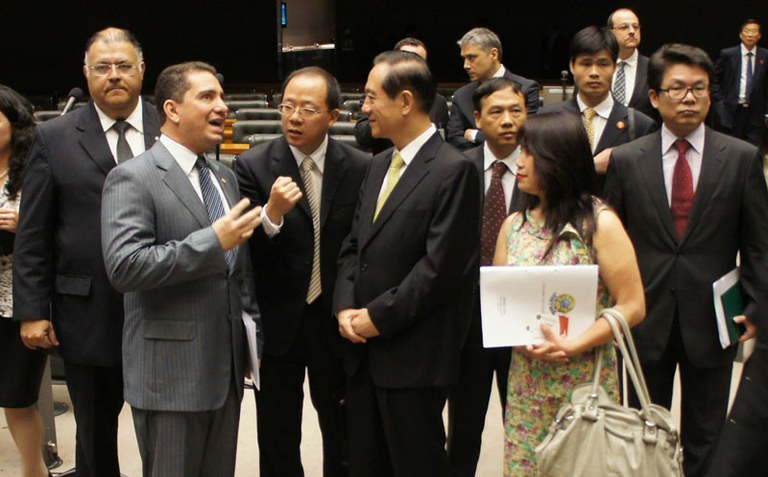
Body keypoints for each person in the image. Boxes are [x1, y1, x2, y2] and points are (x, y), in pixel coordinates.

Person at [604, 43, 768, 477]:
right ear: (654, 97)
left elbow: (758, 244)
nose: (690, 98)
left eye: (700, 88)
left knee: (709, 435)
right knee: (641, 433)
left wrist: (756, 307)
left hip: (715, 320)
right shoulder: (626, 160)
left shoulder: (741, 158)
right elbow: (609, 240)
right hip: (644, 318)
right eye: (677, 89)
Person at [101, 61, 262, 476]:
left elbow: (237, 272)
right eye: (207, 97)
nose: (222, 107)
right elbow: (125, 267)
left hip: (224, 370)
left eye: (222, 97)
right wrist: (213, 240)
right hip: (169, 377)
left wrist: (247, 339)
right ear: (172, 109)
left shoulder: (224, 177)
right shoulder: (132, 177)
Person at [13, 27, 159, 477]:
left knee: (165, 426)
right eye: (102, 67)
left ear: (141, 70)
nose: (113, 75)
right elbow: (34, 231)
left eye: (122, 66)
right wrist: (32, 310)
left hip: (163, 305)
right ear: (85, 73)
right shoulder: (53, 137)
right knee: (95, 433)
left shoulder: (170, 125)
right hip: (87, 310)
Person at [333, 50, 480, 476]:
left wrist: (376, 317)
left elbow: (441, 270)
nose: (363, 108)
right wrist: (344, 306)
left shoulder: (454, 170)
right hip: (363, 351)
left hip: (414, 354)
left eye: (371, 97)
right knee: (366, 463)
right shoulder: (378, 165)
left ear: (405, 101)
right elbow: (353, 246)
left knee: (416, 464)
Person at [494, 111, 645, 476]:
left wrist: (574, 343)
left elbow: (634, 305)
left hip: (584, 384)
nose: (521, 162)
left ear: (559, 159)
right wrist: (516, 336)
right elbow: (500, 303)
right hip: (526, 385)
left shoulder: (599, 223)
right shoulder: (514, 226)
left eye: (530, 153)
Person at [235, 66, 369, 477]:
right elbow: (242, 253)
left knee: (342, 429)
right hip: (278, 323)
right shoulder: (253, 166)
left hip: (334, 318)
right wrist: (271, 214)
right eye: (288, 106)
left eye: (307, 109)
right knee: (277, 434)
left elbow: (360, 246)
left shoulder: (361, 166)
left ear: (333, 115)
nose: (293, 117)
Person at [446, 77, 527, 477]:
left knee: (529, 425)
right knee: (463, 427)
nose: (508, 120)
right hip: (468, 318)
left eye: (516, 110)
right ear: (477, 118)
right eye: (496, 112)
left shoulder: (544, 170)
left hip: (526, 319)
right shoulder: (456, 168)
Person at [0, 85, 48, 477]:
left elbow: (62, 232)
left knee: (16, 399)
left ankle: (35, 472)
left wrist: (26, 228)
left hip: (18, 302)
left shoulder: (36, 168)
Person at [540, 26, 654, 191]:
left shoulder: (640, 125)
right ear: (572, 66)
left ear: (614, 67)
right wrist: (592, 167)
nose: (594, 72)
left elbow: (645, 187)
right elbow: (537, 178)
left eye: (603, 64)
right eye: (586, 64)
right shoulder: (546, 119)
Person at [447, 27, 540, 150]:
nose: (466, 65)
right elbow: (455, 140)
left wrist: (475, 135)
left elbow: (526, 135)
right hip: (476, 166)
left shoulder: (526, 88)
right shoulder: (461, 96)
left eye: (471, 58)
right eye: (464, 58)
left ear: (493, 54)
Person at [354, 37, 449, 154]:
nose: (366, 108)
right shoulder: (373, 97)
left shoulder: (438, 101)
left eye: (418, 61)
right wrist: (385, 117)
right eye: (406, 59)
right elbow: (363, 138)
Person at [714, 19, 768, 147]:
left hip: (756, 111)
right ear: (740, 34)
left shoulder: (765, 56)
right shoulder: (728, 54)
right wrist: (720, 103)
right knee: (732, 147)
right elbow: (714, 79)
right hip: (732, 109)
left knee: (753, 149)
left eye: (754, 31)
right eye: (747, 31)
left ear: (759, 35)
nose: (750, 35)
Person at [607, 8, 654, 117]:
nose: (632, 31)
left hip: (643, 133)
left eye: (636, 27)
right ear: (610, 33)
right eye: (624, 27)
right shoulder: (598, 66)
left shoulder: (652, 67)